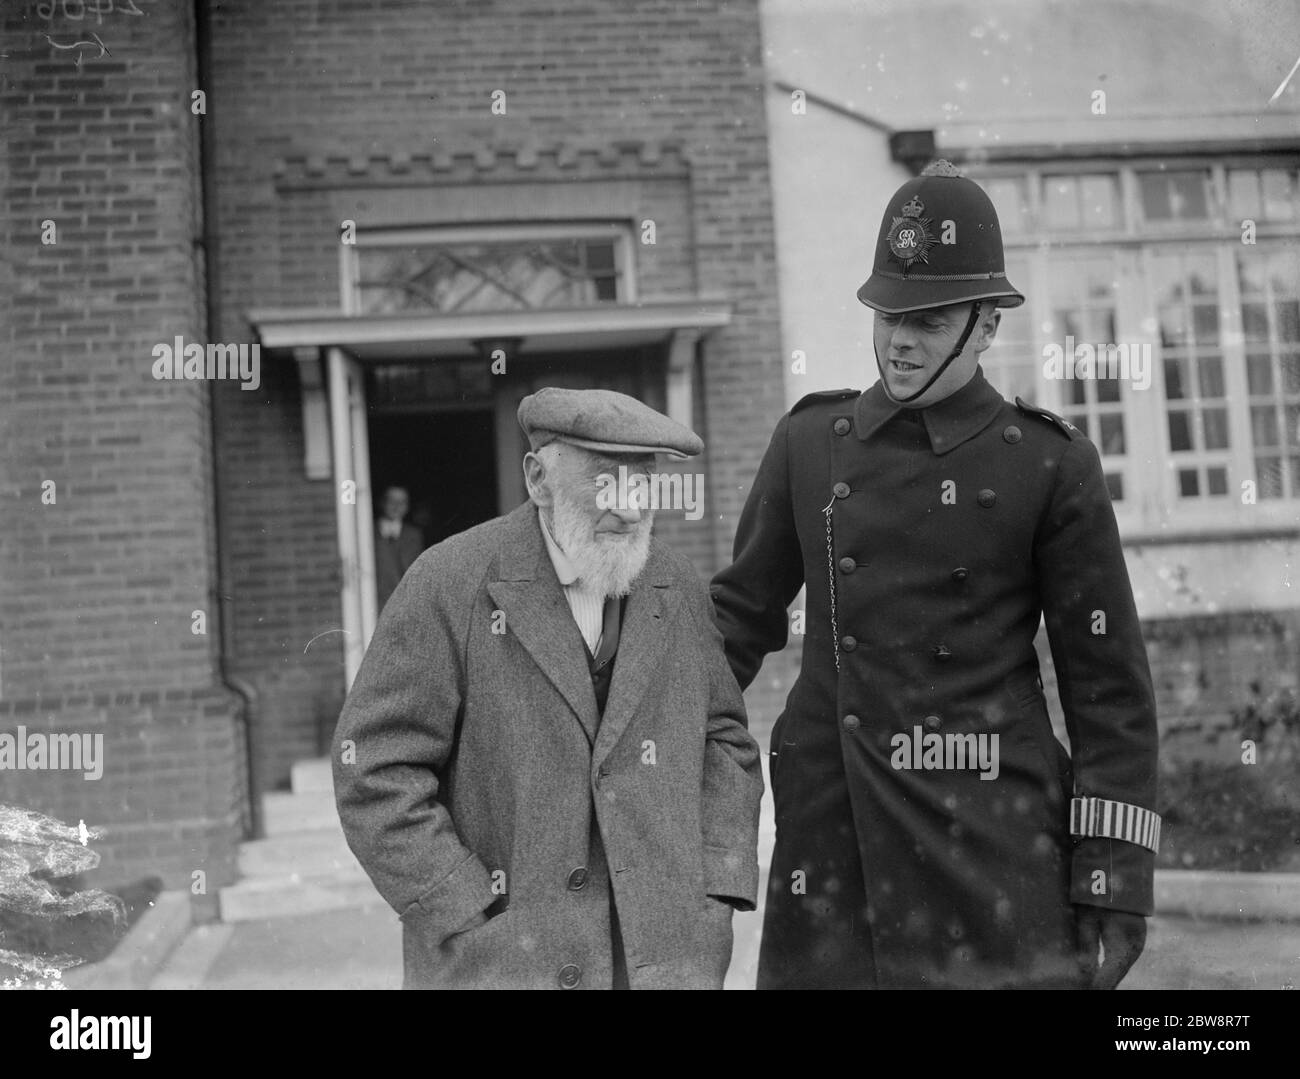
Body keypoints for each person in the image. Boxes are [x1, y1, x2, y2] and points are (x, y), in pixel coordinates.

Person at [711, 161, 1161, 990]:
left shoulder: (1052, 467)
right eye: (888, 313)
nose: (899, 340)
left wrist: (1112, 875)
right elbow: (736, 622)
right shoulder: (810, 445)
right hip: (835, 850)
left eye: (930, 318)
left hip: (992, 845)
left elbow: (1109, 689)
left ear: (988, 325)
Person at [334, 387, 764, 989]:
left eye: (642, 486)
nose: (629, 508)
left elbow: (725, 742)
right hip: (505, 962)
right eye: (605, 483)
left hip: (662, 964)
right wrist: (460, 903)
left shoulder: (676, 585)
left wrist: (716, 883)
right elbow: (373, 766)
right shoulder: (448, 583)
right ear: (538, 479)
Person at [374, 484, 425, 611]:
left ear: (407, 506)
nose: (396, 506)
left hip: (403, 605)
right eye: (391, 501)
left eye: (402, 502)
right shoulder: (369, 532)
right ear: (382, 503)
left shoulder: (413, 535)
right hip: (376, 602)